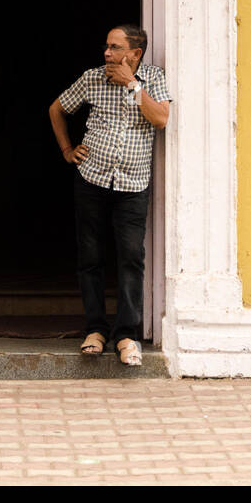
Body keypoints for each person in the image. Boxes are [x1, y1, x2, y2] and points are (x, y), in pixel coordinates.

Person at [48, 25, 170, 367]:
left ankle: (127, 335)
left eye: (115, 47)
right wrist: (67, 149)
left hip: (132, 185)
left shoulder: (153, 78)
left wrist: (132, 85)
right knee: (91, 257)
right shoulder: (92, 78)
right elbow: (56, 109)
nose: (106, 53)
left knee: (131, 258)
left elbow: (160, 119)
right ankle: (96, 330)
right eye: (106, 46)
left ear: (135, 53)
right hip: (92, 180)